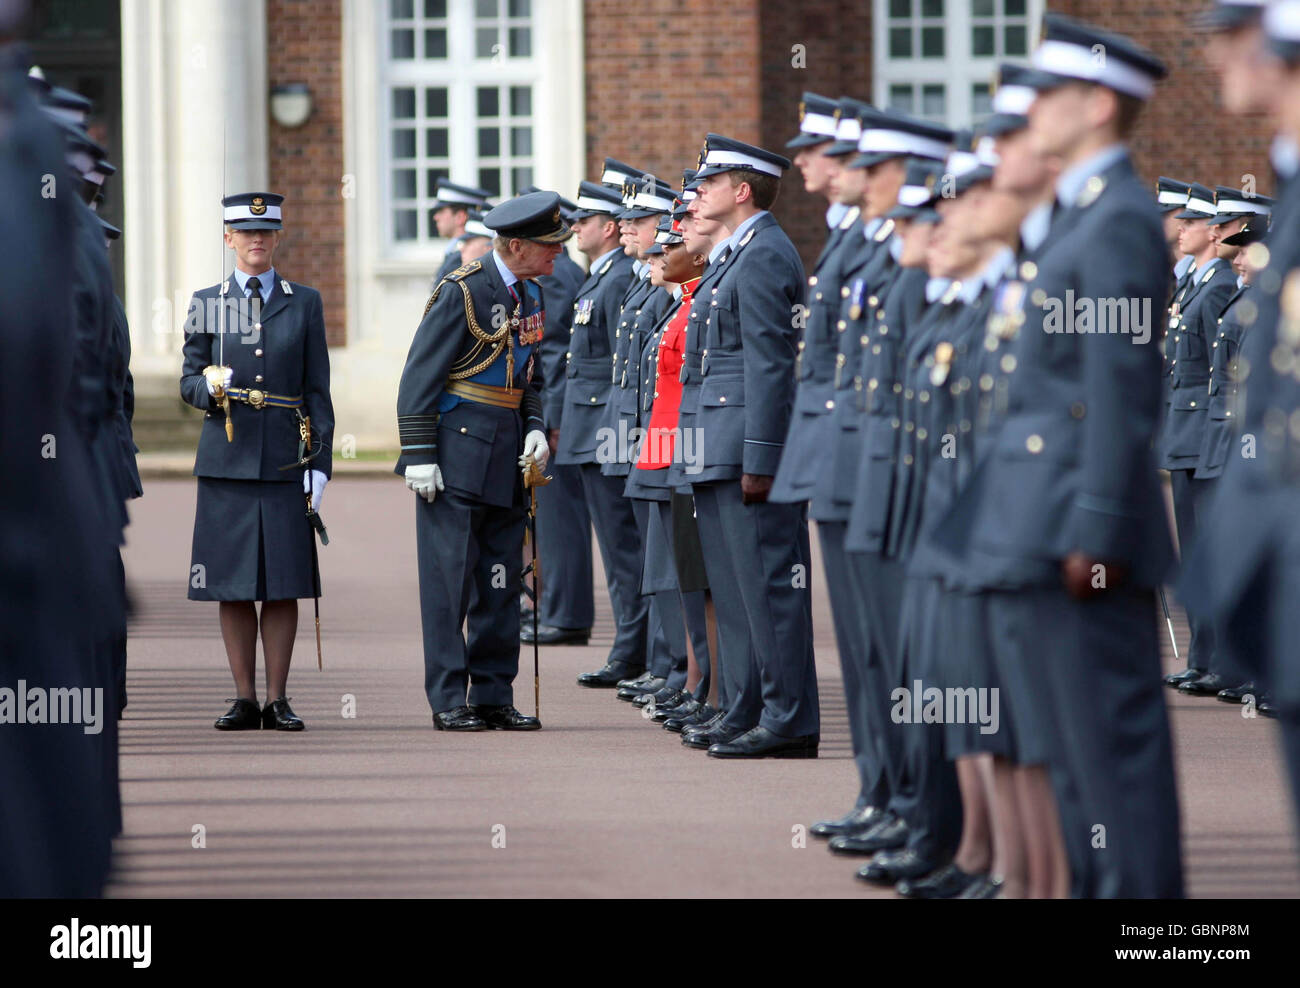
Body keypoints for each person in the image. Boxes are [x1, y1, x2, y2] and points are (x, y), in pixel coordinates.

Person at [931, 13, 1182, 898]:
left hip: (1081, 532)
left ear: (1100, 106)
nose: (1032, 111)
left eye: (1049, 95)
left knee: (1110, 758)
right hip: (1039, 522)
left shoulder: (1114, 218)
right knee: (1077, 765)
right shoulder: (1083, 217)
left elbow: (1118, 390)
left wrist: (1099, 531)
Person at [397, 192, 567, 731]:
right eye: (548, 247)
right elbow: (418, 378)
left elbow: (529, 378)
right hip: (456, 452)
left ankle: (493, 692)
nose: (557, 256)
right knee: (450, 583)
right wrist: (420, 454)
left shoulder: (533, 295)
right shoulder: (463, 291)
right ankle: (449, 697)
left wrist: (536, 426)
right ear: (516, 245)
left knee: (500, 582)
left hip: (508, 454)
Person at [678, 133, 818, 759]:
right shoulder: (738, 254)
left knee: (769, 590)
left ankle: (788, 720)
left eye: (710, 182)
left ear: (742, 191)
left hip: (745, 448)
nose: (699, 191)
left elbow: (770, 364)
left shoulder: (763, 254)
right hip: (720, 442)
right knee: (736, 592)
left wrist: (763, 456)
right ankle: (746, 705)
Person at [180, 192, 334, 732]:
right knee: (234, 582)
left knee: (283, 580)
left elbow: (318, 389)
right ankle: (244, 697)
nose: (256, 240)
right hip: (228, 457)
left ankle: (278, 698)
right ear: (228, 239)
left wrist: (320, 465)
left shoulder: (305, 301)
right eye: (245, 232)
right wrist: (208, 386)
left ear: (277, 237)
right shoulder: (206, 301)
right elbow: (188, 379)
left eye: (265, 232)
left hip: (287, 459)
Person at [557, 178, 648, 687]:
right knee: (616, 550)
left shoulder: (615, 280)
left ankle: (632, 651)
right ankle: (632, 648)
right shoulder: (603, 276)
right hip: (591, 426)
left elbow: (624, 367)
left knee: (622, 549)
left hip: (606, 428)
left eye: (584, 221)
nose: (575, 229)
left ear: (608, 228)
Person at [431, 179, 493, 284]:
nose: (435, 217)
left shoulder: (462, 257)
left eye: (441, 211)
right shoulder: (454, 252)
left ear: (460, 217)